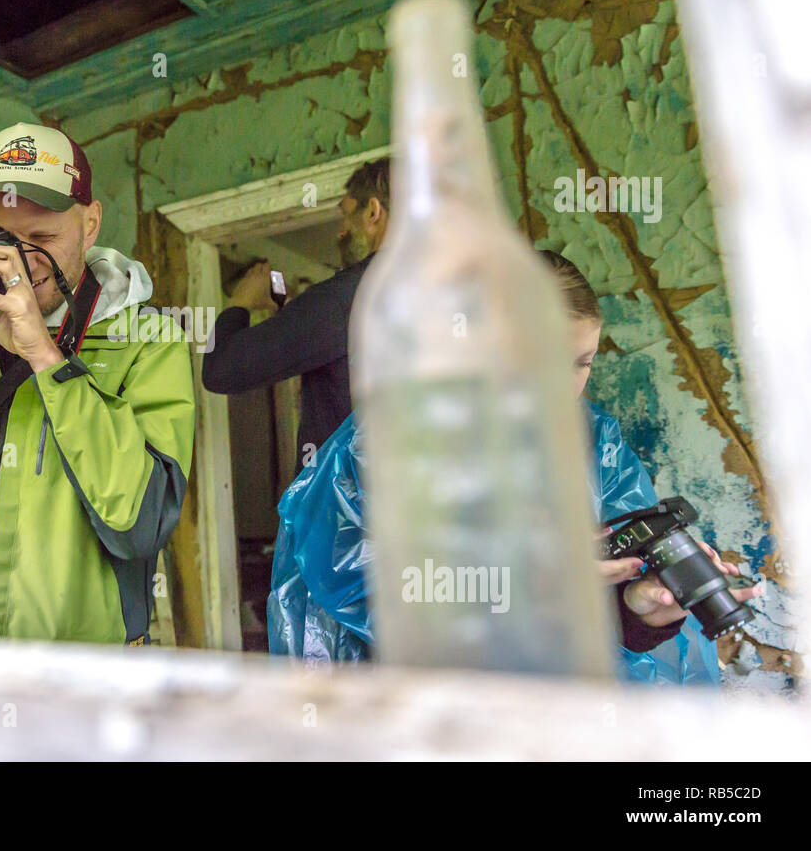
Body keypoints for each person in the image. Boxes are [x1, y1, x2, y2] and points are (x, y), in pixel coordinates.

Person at [269, 249, 763, 680]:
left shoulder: (596, 444)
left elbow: (609, 624)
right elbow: (357, 589)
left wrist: (642, 610)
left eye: (579, 363)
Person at [0, 122, 195, 645]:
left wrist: (46, 358)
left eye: (42, 238)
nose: (20, 261)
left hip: (60, 676)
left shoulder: (149, 338)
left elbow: (142, 521)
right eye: (3, 238)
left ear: (91, 223)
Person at [201, 158, 390, 474]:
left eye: (346, 215)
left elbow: (221, 369)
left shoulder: (348, 296)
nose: (340, 231)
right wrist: (298, 319)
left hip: (348, 519)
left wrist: (240, 303)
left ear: (373, 211)